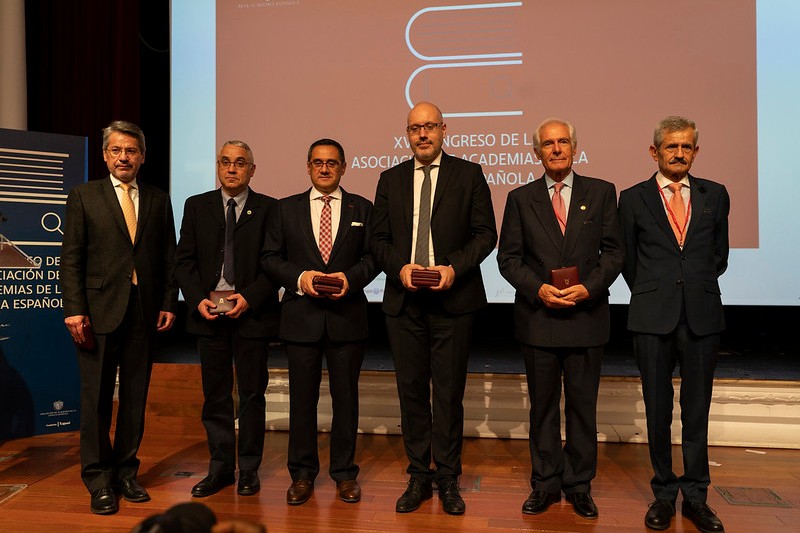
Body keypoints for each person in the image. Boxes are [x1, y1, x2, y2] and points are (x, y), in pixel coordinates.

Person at [370, 102, 497, 515]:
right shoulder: (390, 179)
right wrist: (400, 267)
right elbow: (378, 239)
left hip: (453, 301)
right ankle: (418, 476)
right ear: (407, 134)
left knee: (447, 394)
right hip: (404, 300)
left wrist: (453, 268)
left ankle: (447, 477)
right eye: (414, 128)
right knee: (411, 393)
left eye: (429, 127)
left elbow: (485, 234)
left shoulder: (469, 174)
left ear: (444, 129)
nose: (422, 135)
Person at [497, 118, 623, 519]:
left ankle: (580, 485)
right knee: (544, 409)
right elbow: (508, 259)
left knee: (583, 408)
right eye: (548, 143)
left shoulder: (601, 192)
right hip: (540, 318)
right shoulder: (520, 198)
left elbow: (615, 253)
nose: (556, 149)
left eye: (563, 142)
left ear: (574, 147)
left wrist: (590, 287)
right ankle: (546, 482)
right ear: (536, 152)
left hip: (586, 315)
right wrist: (538, 288)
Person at [61, 120, 178, 514]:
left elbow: (168, 258)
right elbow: (71, 258)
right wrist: (74, 309)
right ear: (105, 155)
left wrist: (167, 301)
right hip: (96, 313)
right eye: (116, 150)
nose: (124, 157)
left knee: (134, 398)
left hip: (143, 312)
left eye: (131, 151)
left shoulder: (159, 199)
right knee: (94, 400)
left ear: (142, 157)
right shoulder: (84, 196)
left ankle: (126, 472)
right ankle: (98, 480)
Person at [618, 116, 729, 533]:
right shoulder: (632, 198)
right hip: (651, 317)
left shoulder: (714, 195)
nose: (679, 153)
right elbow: (629, 261)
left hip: (702, 317)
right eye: (671, 147)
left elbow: (719, 256)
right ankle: (664, 494)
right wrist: (656, 293)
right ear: (654, 152)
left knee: (697, 410)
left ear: (695, 152)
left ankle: (697, 496)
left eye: (686, 147)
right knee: (658, 409)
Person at [262, 138, 377, 505]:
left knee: (346, 401)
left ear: (344, 167)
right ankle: (302, 475)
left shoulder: (364, 207)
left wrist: (352, 279)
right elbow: (270, 258)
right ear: (308, 167)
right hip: (301, 318)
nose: (324, 168)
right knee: (302, 401)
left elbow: (374, 258)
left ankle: (344, 475)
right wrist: (300, 279)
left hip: (347, 318)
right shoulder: (284, 209)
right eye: (317, 162)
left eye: (332, 163)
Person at [174, 141, 280, 499]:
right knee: (215, 396)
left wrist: (249, 297)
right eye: (225, 162)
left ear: (252, 170)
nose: (231, 168)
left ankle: (249, 469)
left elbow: (274, 265)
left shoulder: (270, 209)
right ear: (217, 167)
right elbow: (183, 260)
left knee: (252, 395)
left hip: (251, 314)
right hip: (209, 315)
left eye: (239, 163)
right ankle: (220, 469)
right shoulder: (196, 205)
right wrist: (196, 299)